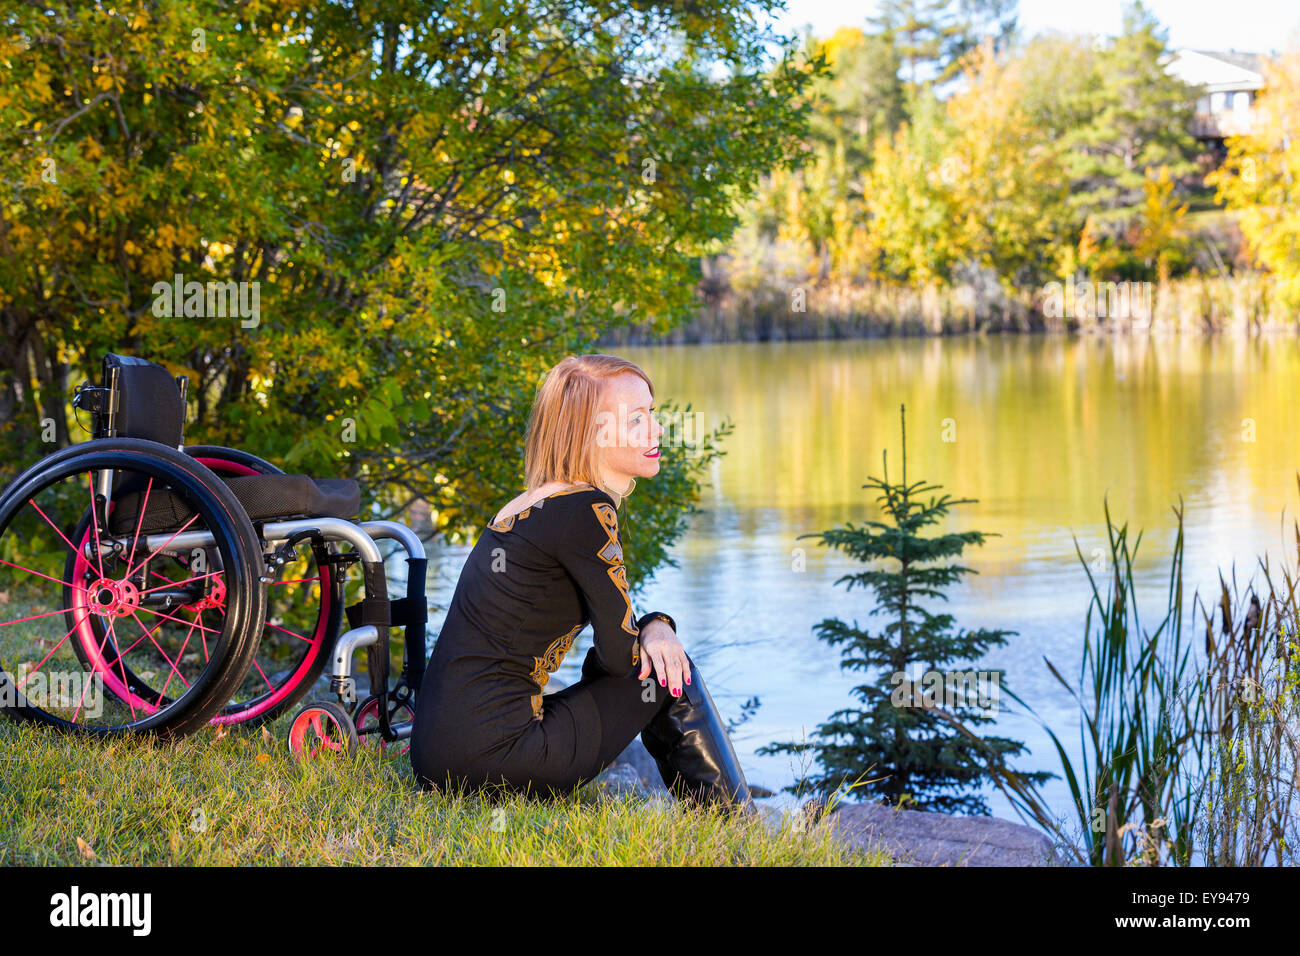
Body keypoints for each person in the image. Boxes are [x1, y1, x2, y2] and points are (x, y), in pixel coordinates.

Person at [409, 353, 754, 814]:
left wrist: (649, 626)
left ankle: (726, 820)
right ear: (592, 432)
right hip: (493, 761)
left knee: (657, 657)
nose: (656, 431)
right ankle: (734, 825)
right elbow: (618, 660)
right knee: (671, 673)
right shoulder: (587, 510)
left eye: (651, 413)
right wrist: (657, 627)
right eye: (636, 420)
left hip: (438, 758)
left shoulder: (533, 504)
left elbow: (611, 642)